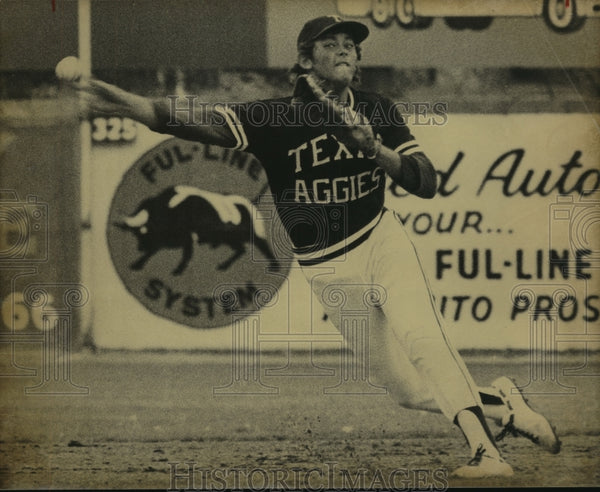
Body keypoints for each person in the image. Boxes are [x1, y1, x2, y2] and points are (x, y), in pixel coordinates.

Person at [71, 15, 560, 478]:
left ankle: (484, 451)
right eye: (331, 43)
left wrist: (375, 150)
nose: (346, 48)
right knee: (406, 390)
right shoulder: (275, 117)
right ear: (305, 61)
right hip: (326, 267)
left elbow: (427, 181)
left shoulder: (377, 109)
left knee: (424, 340)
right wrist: (137, 107)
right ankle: (503, 404)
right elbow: (203, 121)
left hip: (380, 240)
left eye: (352, 43)